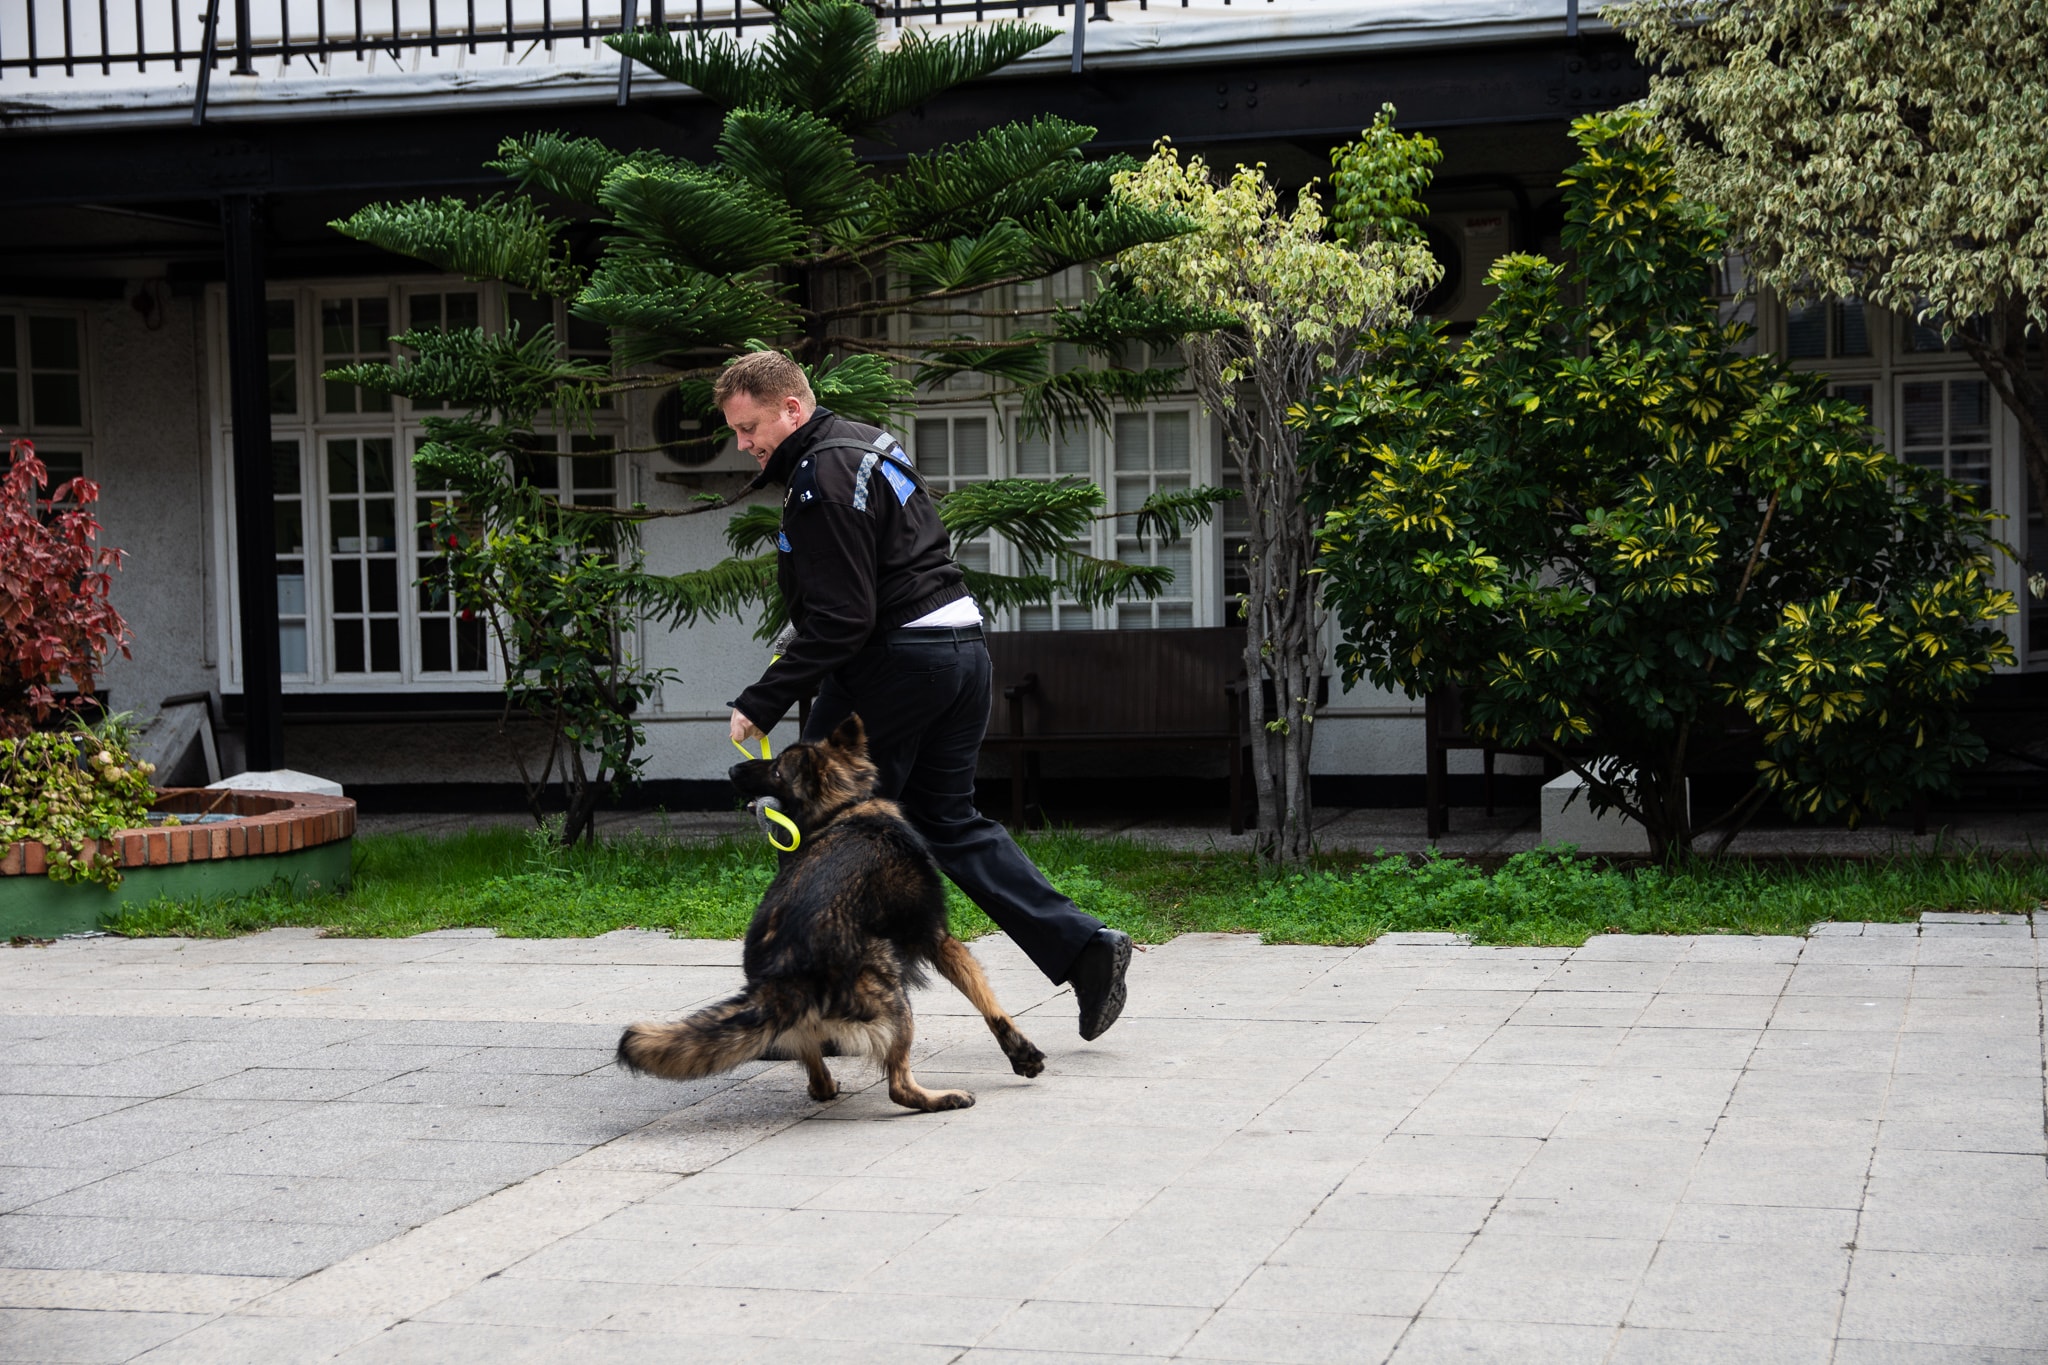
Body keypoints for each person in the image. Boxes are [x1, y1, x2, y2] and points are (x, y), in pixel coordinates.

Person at [718, 350, 1131, 1040]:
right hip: (961, 651)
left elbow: (847, 618)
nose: (744, 445)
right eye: (735, 431)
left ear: (792, 408)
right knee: (947, 821)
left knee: (813, 824)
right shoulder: (867, 443)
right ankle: (1085, 949)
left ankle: (807, 1011)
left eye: (749, 426)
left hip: (897, 663)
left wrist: (765, 696)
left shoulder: (822, 472)